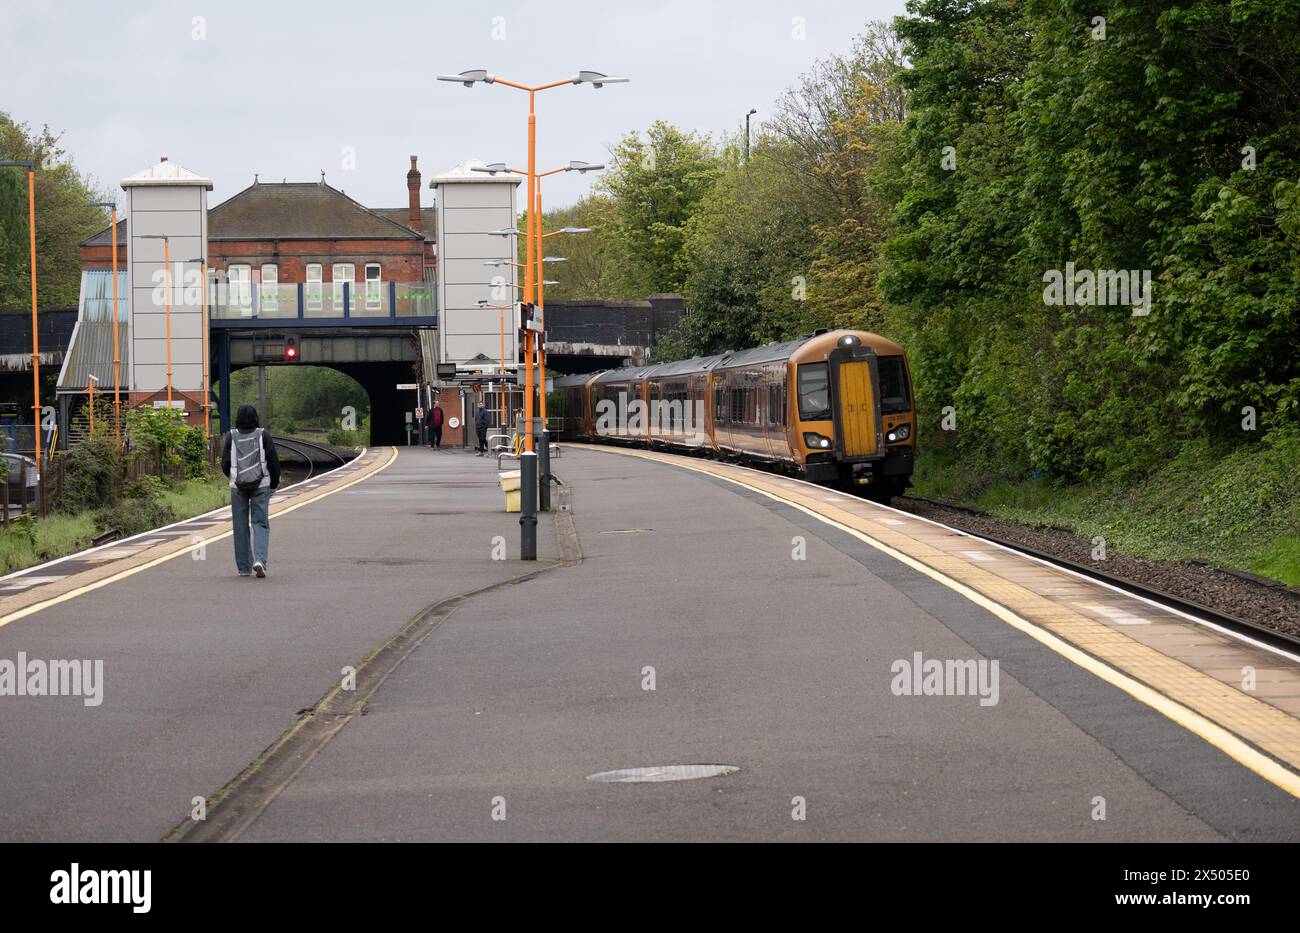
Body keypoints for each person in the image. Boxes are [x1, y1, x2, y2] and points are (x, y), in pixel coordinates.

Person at [220, 404, 281, 578]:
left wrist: (233, 477)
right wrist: (274, 484)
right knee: (260, 523)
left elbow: (224, 463)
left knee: (240, 526)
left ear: (238, 418)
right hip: (261, 485)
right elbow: (273, 462)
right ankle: (260, 560)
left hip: (237, 486)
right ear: (255, 417)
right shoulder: (263, 435)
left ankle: (244, 568)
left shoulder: (232, 436)